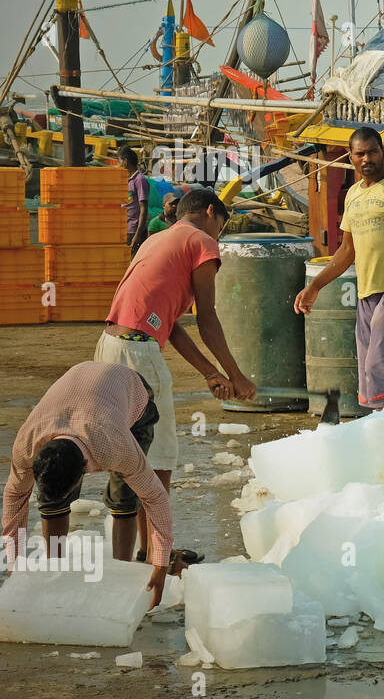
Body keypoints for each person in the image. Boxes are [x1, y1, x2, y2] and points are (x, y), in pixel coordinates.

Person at [97, 186, 257, 563]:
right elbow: (207, 317)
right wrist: (237, 376)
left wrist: (211, 373)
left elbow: (167, 324)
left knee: (134, 453)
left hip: (111, 345)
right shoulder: (201, 242)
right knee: (159, 460)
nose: (219, 234)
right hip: (139, 352)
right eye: (222, 223)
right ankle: (158, 557)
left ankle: (147, 552)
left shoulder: (157, 239)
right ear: (208, 212)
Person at [3, 362, 173, 608]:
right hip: (79, 385)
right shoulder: (27, 443)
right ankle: (55, 571)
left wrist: (160, 566)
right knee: (52, 502)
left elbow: (155, 497)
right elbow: (14, 501)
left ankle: (120, 574)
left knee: (124, 496)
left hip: (131, 390)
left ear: (84, 470)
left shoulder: (116, 446)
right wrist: (14, 566)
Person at [294, 127, 384, 409]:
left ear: (382, 152)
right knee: (369, 381)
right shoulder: (352, 196)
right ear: (351, 157)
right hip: (366, 294)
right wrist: (314, 286)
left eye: (372, 151)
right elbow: (347, 251)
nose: (367, 158)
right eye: (360, 154)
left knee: (380, 370)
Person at [122, 147, 150, 254]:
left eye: (119, 161)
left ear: (125, 161)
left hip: (134, 230)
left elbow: (144, 208)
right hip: (126, 228)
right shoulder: (126, 180)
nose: (119, 164)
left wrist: (137, 235)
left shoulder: (139, 180)